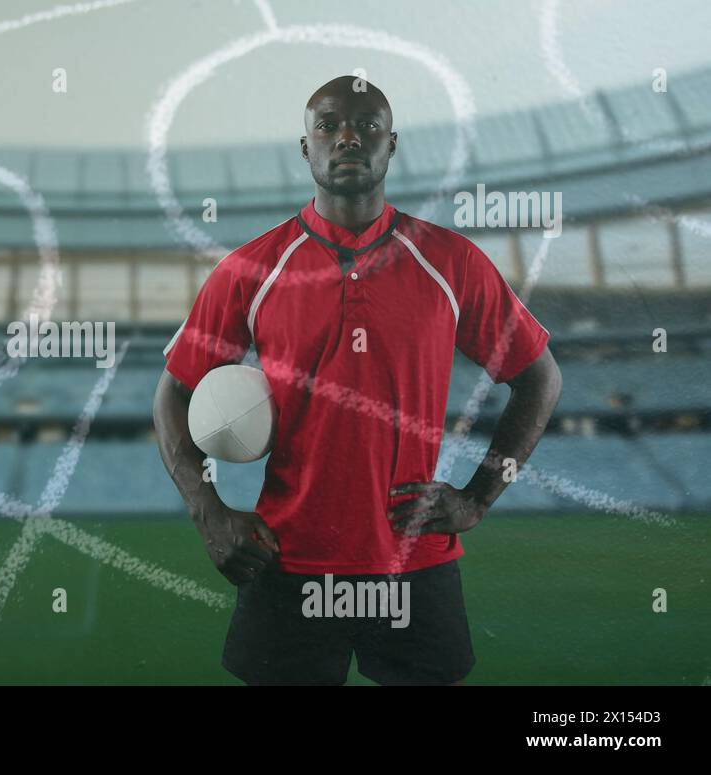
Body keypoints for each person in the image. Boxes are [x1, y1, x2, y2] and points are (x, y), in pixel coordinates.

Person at [152, 75, 563, 685]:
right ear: (306, 147)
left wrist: (476, 498)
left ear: (390, 145)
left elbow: (540, 379)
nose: (348, 137)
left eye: (367, 125)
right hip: (285, 562)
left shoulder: (452, 262)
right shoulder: (250, 269)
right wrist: (208, 511)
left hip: (414, 563)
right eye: (328, 125)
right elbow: (173, 392)